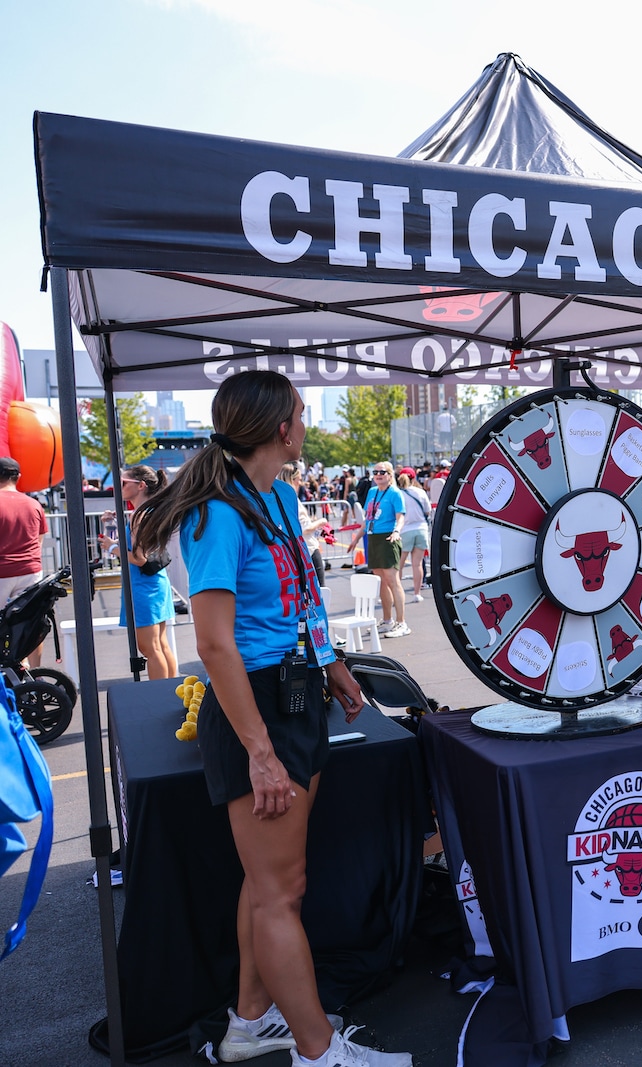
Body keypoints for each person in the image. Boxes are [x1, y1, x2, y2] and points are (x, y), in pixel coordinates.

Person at [131, 370, 411, 1066]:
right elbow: (214, 642)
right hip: (255, 710)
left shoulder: (279, 495)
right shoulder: (219, 512)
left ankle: (252, 1021)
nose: (307, 422)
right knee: (283, 892)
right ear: (282, 429)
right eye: (301, 413)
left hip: (294, 698)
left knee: (269, 884)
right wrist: (258, 751)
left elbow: (302, 602)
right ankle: (319, 1052)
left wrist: (334, 664)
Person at [101, 465, 180, 680]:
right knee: (160, 645)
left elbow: (138, 557)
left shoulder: (140, 515)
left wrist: (111, 547)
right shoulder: (151, 511)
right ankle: (171, 693)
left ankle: (160, 697)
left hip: (143, 586)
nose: (119, 487)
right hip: (155, 582)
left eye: (124, 483)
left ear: (141, 486)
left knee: (150, 648)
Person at [0, 456, 49, 667]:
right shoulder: (34, 504)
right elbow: (39, 540)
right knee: (31, 622)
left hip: (2, 571)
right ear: (18, 477)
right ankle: (33, 672)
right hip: (30, 570)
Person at [362, 463, 407, 637]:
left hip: (389, 537)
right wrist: (358, 537)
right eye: (375, 472)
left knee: (392, 580)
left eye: (382, 472)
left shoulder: (395, 493)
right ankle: (387, 620)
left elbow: (400, 517)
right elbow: (368, 518)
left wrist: (397, 531)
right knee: (380, 581)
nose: (378, 475)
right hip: (373, 537)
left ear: (390, 475)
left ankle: (402, 622)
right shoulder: (372, 492)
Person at [279, 465, 328, 590]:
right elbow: (305, 528)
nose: (300, 483)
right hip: (308, 548)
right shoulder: (292, 499)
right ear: (292, 479)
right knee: (319, 589)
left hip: (292, 550)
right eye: (299, 480)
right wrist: (321, 521)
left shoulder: (279, 499)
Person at [395, 470, 432, 603]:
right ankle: (417, 593)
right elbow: (427, 510)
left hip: (404, 530)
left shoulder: (398, 494)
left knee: (399, 565)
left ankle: (397, 595)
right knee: (417, 565)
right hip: (421, 529)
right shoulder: (420, 492)